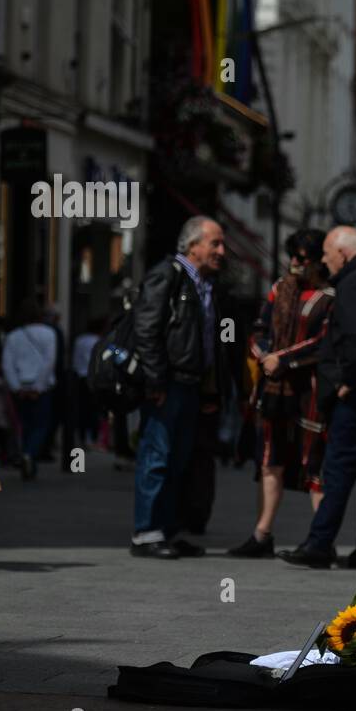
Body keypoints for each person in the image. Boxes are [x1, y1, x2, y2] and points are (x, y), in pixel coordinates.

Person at [279, 226, 356, 569]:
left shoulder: (353, 283)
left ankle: (319, 543)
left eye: (327, 254)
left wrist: (346, 381)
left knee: (339, 467)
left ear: (343, 253)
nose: (324, 262)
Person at [129, 215, 228, 559]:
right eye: (214, 243)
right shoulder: (167, 275)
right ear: (193, 245)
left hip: (191, 385)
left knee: (179, 459)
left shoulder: (202, 283)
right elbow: (146, 329)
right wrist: (155, 379)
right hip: (168, 384)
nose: (221, 250)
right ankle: (146, 532)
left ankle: (167, 530)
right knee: (157, 455)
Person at [230, 230, 333, 558]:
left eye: (302, 258)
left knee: (313, 461)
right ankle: (262, 534)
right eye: (293, 256)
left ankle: (322, 539)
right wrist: (262, 353)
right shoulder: (279, 289)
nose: (295, 263)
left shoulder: (329, 297)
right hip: (273, 387)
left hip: (308, 390)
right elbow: (259, 328)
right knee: (269, 460)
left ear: (317, 261)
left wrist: (284, 359)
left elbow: (324, 342)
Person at [2, 299, 59, 481]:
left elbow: (7, 364)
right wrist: (39, 387)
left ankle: (28, 456)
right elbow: (49, 362)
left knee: (25, 424)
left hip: (20, 384)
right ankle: (30, 454)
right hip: (41, 386)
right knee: (41, 424)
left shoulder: (12, 336)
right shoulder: (49, 333)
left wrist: (16, 387)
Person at [71, 318, 102, 448]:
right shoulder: (98, 341)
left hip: (79, 376)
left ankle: (82, 436)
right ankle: (91, 437)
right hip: (92, 377)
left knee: (82, 409)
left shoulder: (79, 340)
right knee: (93, 409)